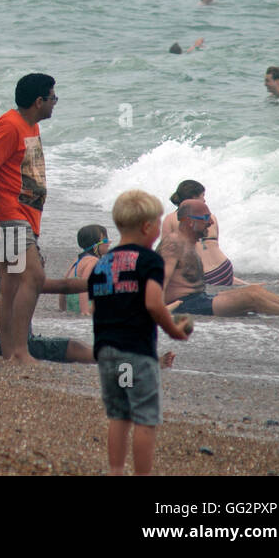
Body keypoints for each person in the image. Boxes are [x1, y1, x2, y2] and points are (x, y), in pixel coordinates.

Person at [90, 189, 194, 476]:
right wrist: (173, 329)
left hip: (108, 352)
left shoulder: (103, 263)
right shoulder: (149, 260)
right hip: (135, 352)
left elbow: (98, 306)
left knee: (119, 414)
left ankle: (115, 471)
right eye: (159, 223)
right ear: (147, 227)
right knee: (145, 417)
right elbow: (152, 302)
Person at [0, 72, 56, 365]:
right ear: (39, 101)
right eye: (53, 98)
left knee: (10, 284)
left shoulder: (30, 125)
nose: (55, 103)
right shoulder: (9, 125)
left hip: (23, 215)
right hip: (7, 216)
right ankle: (21, 351)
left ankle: (10, 353)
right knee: (33, 277)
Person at [163, 198, 279, 317]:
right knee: (251, 298)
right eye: (206, 219)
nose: (210, 223)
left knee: (255, 290)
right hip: (185, 305)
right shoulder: (173, 245)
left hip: (199, 299)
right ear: (190, 222)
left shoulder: (188, 243)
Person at [0, 278, 97, 363]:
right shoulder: (23, 278)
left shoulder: (8, 278)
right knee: (74, 347)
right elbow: (64, 285)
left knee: (72, 346)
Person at [157, 180, 245, 288]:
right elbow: (212, 248)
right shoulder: (211, 217)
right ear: (194, 198)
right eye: (202, 196)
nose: (204, 200)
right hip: (225, 268)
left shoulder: (170, 219)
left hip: (205, 275)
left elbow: (164, 256)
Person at [56, 224, 109, 313]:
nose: (108, 243)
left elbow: (64, 285)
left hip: (73, 306)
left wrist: (62, 308)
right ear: (96, 245)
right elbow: (84, 285)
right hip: (85, 306)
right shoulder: (93, 261)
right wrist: (85, 311)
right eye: (106, 240)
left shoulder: (77, 260)